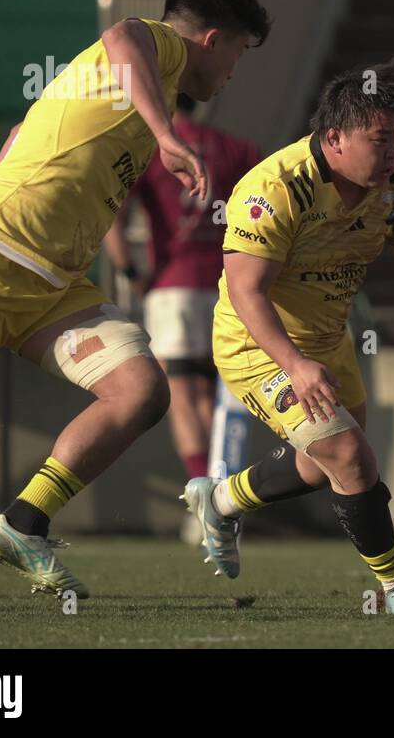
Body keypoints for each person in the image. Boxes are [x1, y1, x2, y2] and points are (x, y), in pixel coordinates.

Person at [0, 0, 270, 597]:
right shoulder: (159, 47)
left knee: (140, 389)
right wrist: (166, 136)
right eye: (238, 54)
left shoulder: (147, 92)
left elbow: (17, 133)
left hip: (52, 285)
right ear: (212, 39)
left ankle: (24, 523)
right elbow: (122, 34)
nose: (233, 72)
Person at [181, 61, 394, 616]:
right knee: (350, 455)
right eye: (380, 141)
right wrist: (296, 364)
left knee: (327, 463)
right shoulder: (274, 187)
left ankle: (222, 499)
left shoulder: (392, 184)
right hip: (259, 345)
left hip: (330, 341)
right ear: (333, 138)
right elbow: (247, 291)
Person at [103, 93, 260, 535]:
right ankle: (224, 502)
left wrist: (131, 271)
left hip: (172, 287)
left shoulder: (155, 152)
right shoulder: (237, 148)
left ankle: (205, 508)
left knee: (183, 395)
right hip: (230, 285)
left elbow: (114, 217)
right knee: (214, 398)